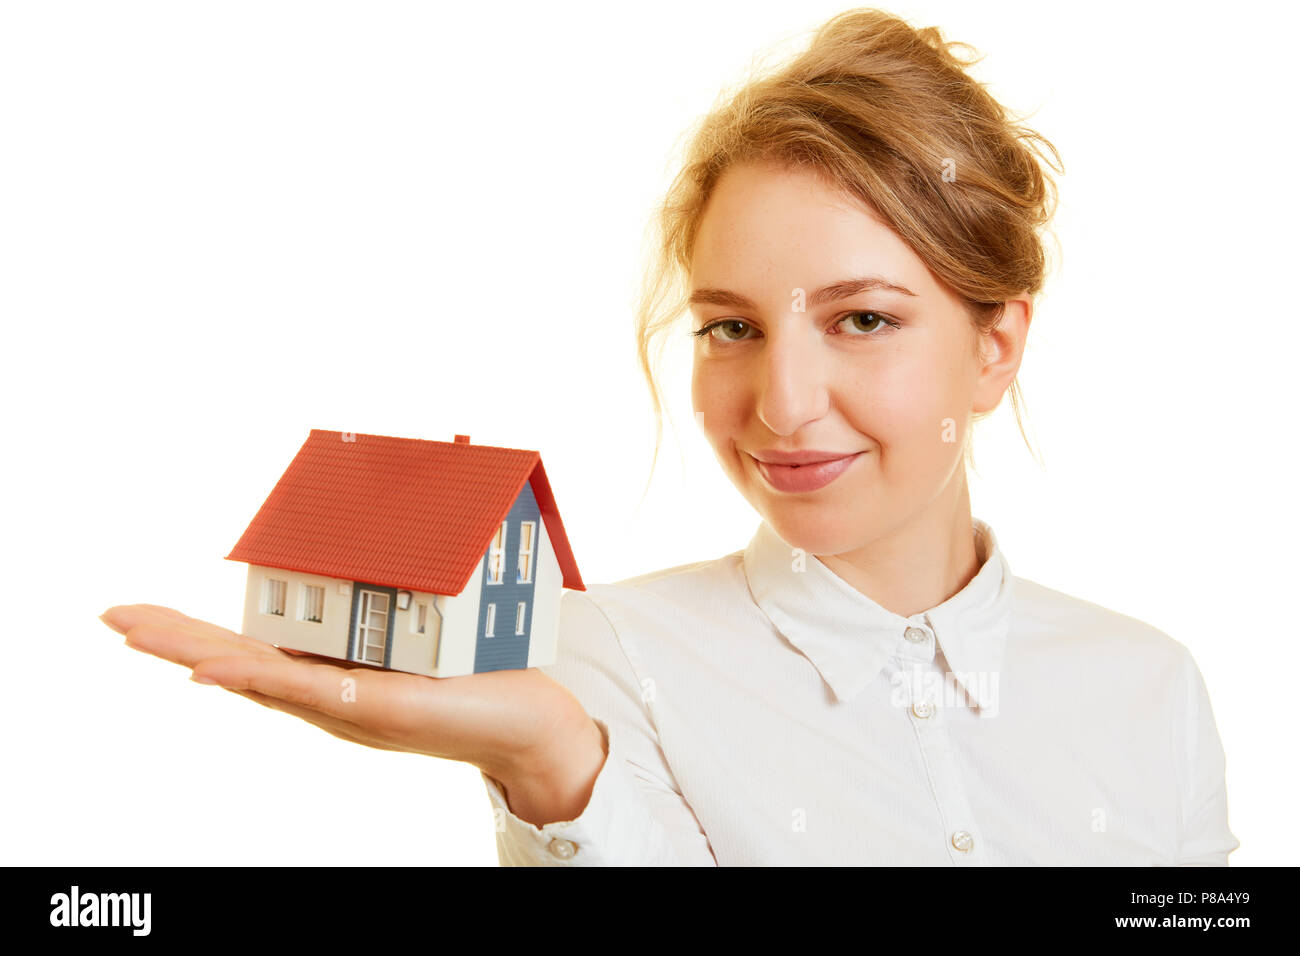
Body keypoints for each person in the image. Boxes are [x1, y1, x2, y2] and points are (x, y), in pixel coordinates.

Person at [99, 7, 1238, 866]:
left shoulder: (1151, 691)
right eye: (730, 326)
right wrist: (557, 769)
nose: (783, 404)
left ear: (994, 347)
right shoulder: (598, 659)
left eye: (862, 319)